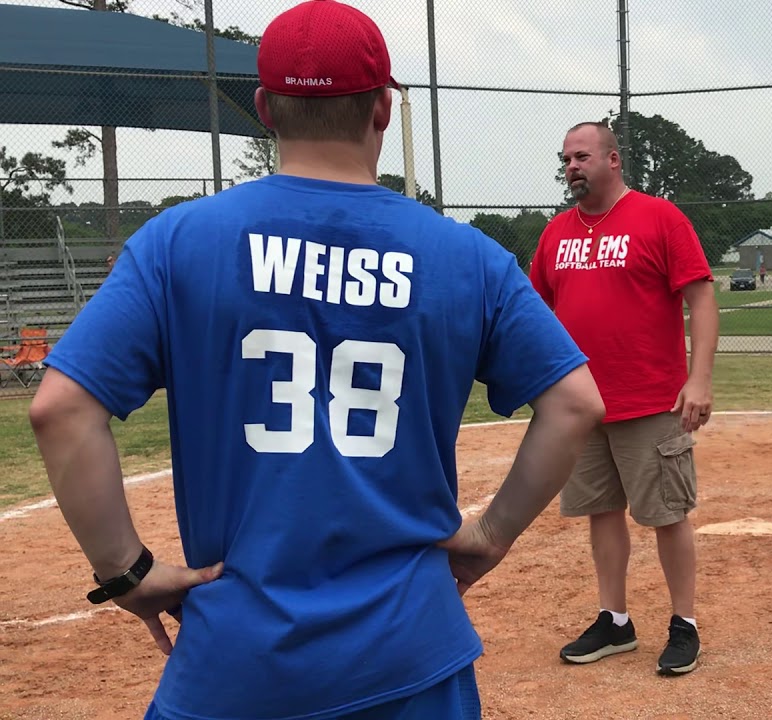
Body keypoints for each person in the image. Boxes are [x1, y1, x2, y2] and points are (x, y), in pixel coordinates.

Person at [28, 2, 605, 719]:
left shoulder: (177, 243)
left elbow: (59, 409)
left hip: (236, 659)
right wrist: (488, 536)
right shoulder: (468, 259)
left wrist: (127, 573)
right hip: (409, 650)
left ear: (266, 108)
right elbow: (576, 403)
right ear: (383, 110)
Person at [529, 121, 719, 677]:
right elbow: (536, 311)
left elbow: (701, 301)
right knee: (600, 512)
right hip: (583, 403)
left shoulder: (659, 218)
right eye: (565, 159)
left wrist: (699, 378)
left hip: (652, 399)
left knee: (666, 514)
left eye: (582, 156)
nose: (571, 167)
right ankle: (615, 620)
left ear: (613, 160)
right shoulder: (556, 233)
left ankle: (683, 623)